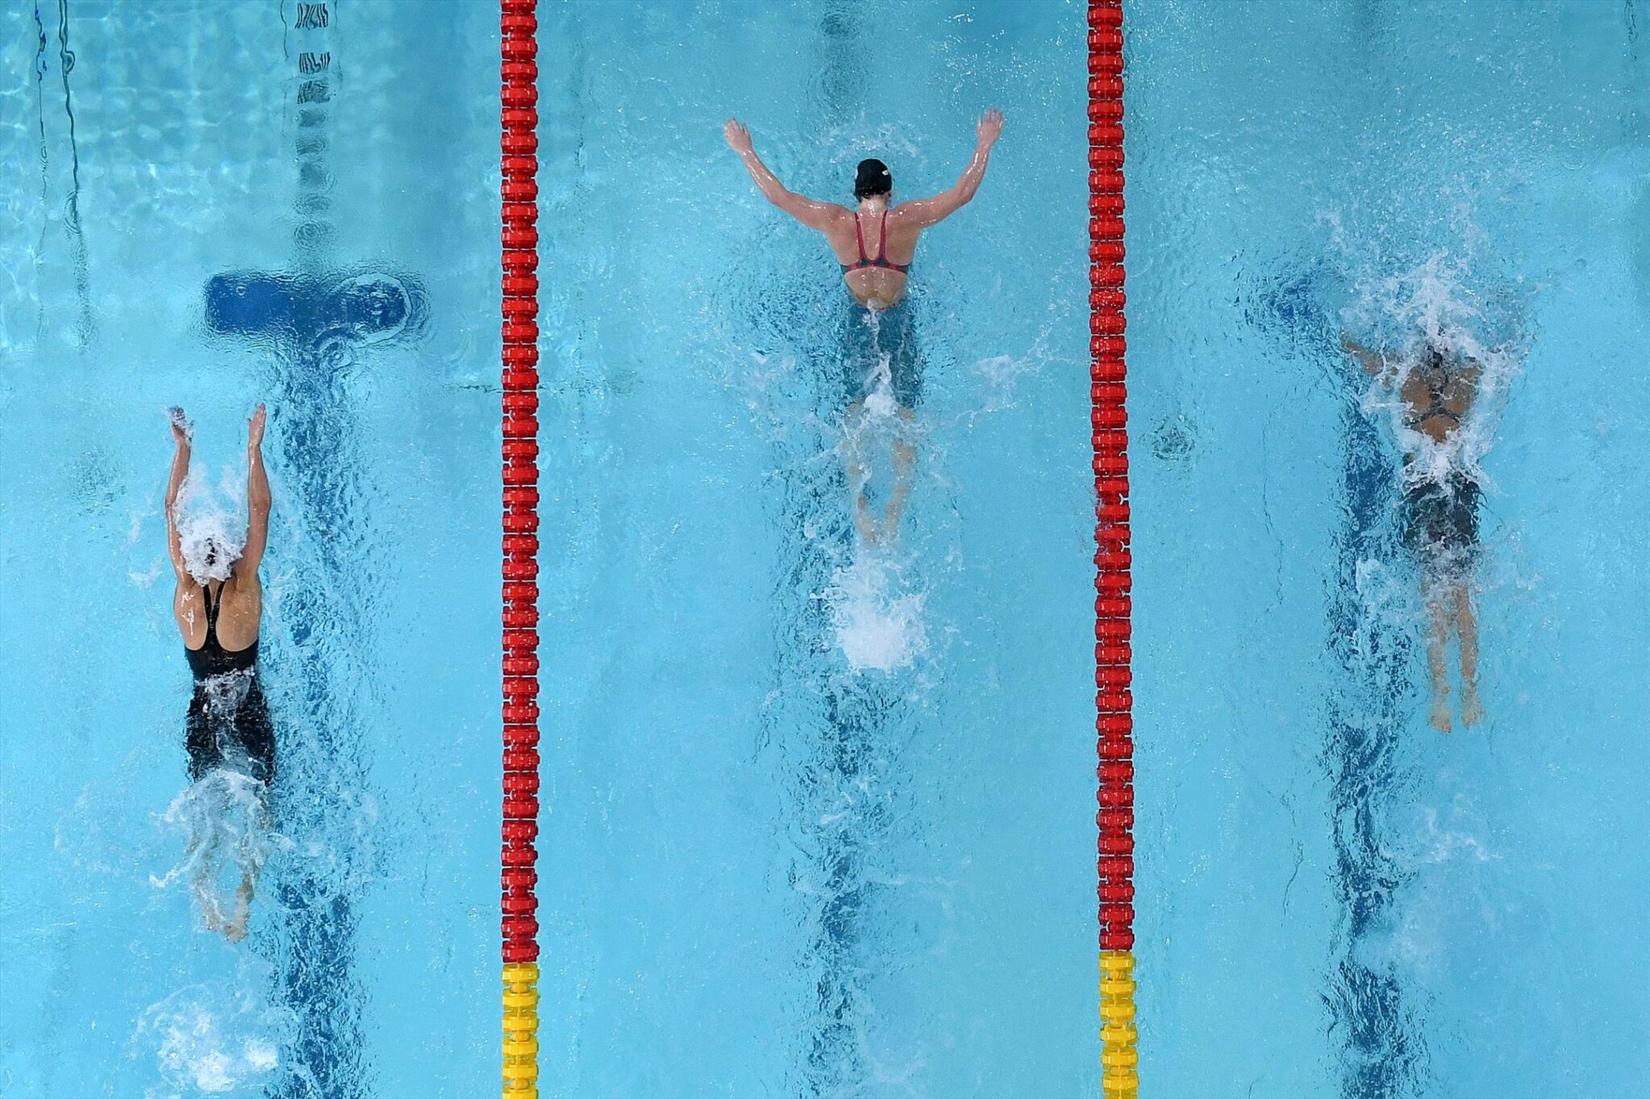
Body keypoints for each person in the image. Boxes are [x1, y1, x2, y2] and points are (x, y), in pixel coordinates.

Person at [723, 109, 1004, 542]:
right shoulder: (907, 219)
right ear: (889, 192)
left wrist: (746, 152)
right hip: (898, 321)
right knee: (906, 414)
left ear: (856, 193)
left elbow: (778, 196)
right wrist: (984, 145)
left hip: (857, 321)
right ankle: (894, 512)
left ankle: (859, 509)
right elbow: (962, 193)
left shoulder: (835, 221)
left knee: (855, 412)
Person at [165, 403, 275, 940]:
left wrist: (183, 450)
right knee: (263, 799)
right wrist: (253, 449)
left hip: (201, 708)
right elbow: (261, 510)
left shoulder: (185, 592)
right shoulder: (245, 590)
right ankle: (244, 899)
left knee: (201, 800)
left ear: (189, 556)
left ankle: (202, 892)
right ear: (232, 556)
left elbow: (169, 510)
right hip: (247, 703)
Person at [1341, 334, 1485, 732]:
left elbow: (1371, 361)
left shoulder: (1408, 383)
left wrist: (1348, 343)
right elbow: (1496, 361)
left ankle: (1443, 695)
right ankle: (1470, 691)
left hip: (1424, 489)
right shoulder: (1465, 383)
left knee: (1436, 597)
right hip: (1457, 489)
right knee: (1461, 598)